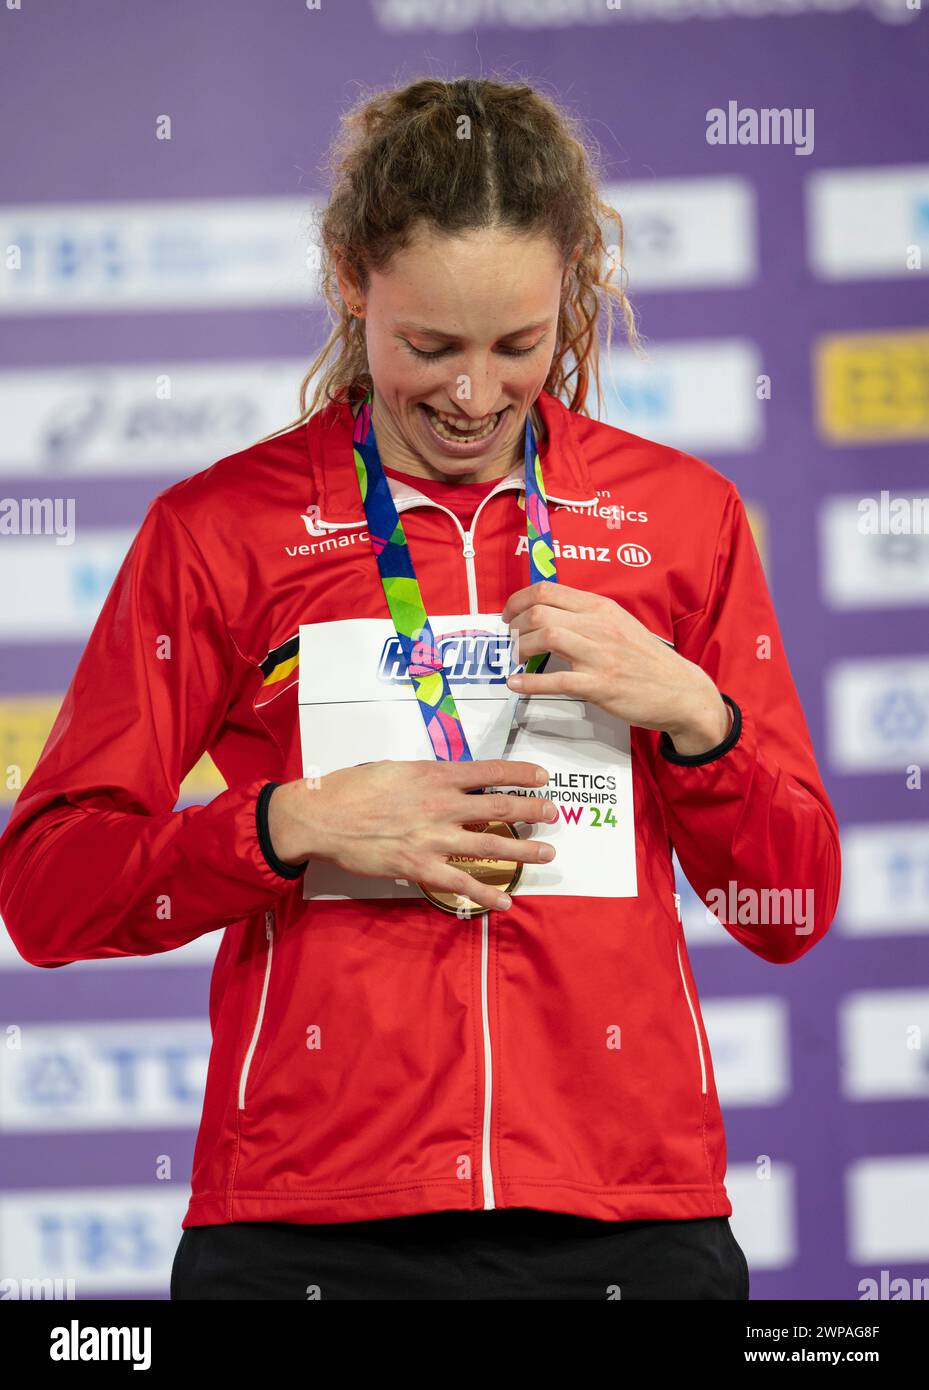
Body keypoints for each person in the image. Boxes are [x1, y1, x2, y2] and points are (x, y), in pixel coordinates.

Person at [0, 76, 840, 1301]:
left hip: (624, 1212)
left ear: (573, 293)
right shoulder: (219, 531)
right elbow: (47, 891)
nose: (472, 394)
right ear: (351, 278)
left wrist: (695, 718)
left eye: (519, 345)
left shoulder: (681, 519)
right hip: (311, 1219)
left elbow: (790, 904)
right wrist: (290, 825)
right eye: (427, 346)